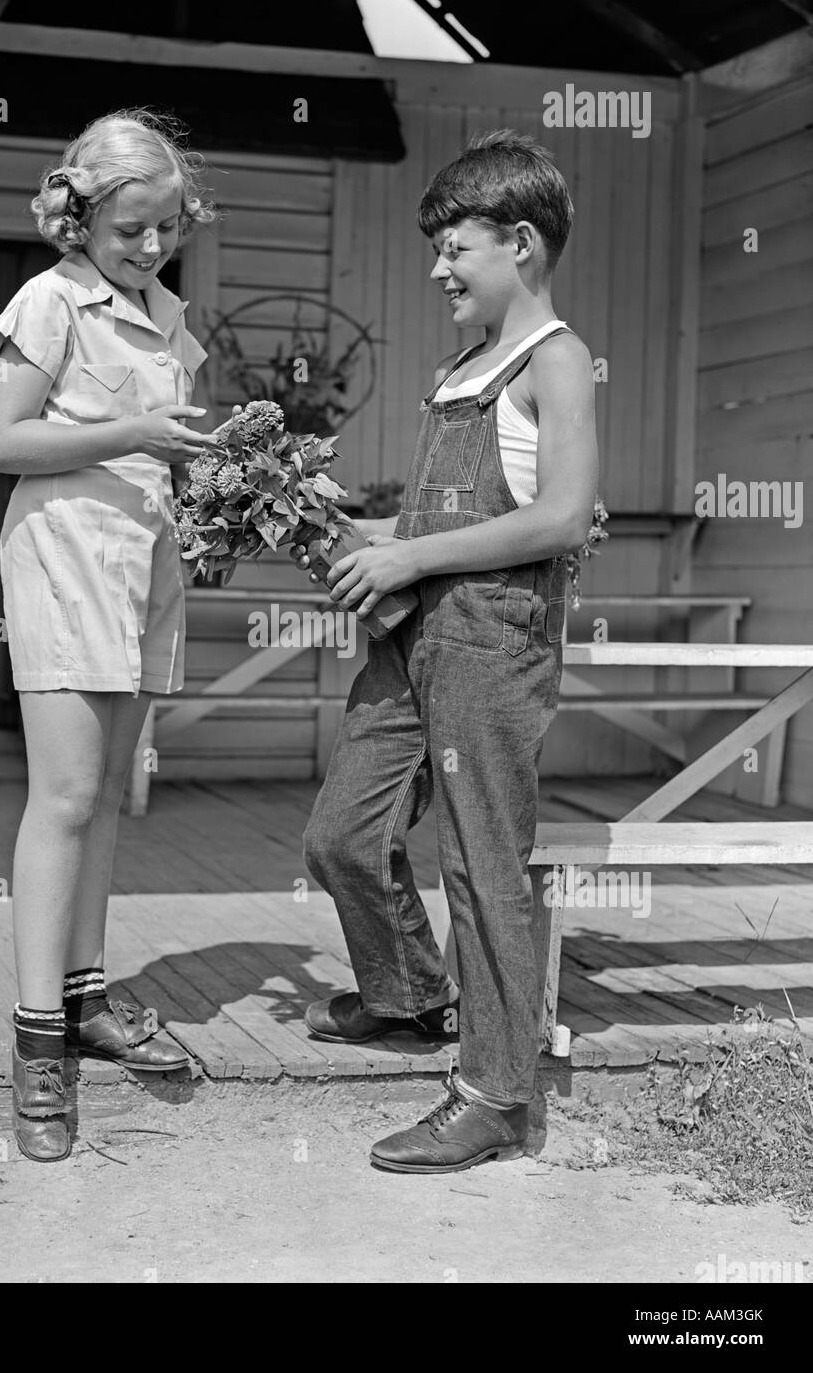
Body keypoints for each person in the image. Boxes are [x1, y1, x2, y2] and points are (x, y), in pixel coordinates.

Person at [295, 131, 598, 1172]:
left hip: (491, 643)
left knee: (481, 865)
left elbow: (558, 517)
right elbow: (429, 518)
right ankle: (406, 992)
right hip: (413, 634)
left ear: (518, 242)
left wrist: (408, 553)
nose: (436, 269)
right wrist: (333, 530)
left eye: (453, 249)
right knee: (341, 832)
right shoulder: (459, 368)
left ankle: (494, 1092)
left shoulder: (551, 360)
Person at [0, 109, 217, 1162]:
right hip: (66, 552)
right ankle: (36, 1048)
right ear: (80, 217)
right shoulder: (50, 299)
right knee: (64, 795)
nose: (150, 248)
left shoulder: (169, 318)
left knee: (109, 794)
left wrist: (228, 493)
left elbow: (180, 453)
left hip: (143, 563)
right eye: (130, 229)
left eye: (166, 228)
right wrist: (131, 432)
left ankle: (86, 995)